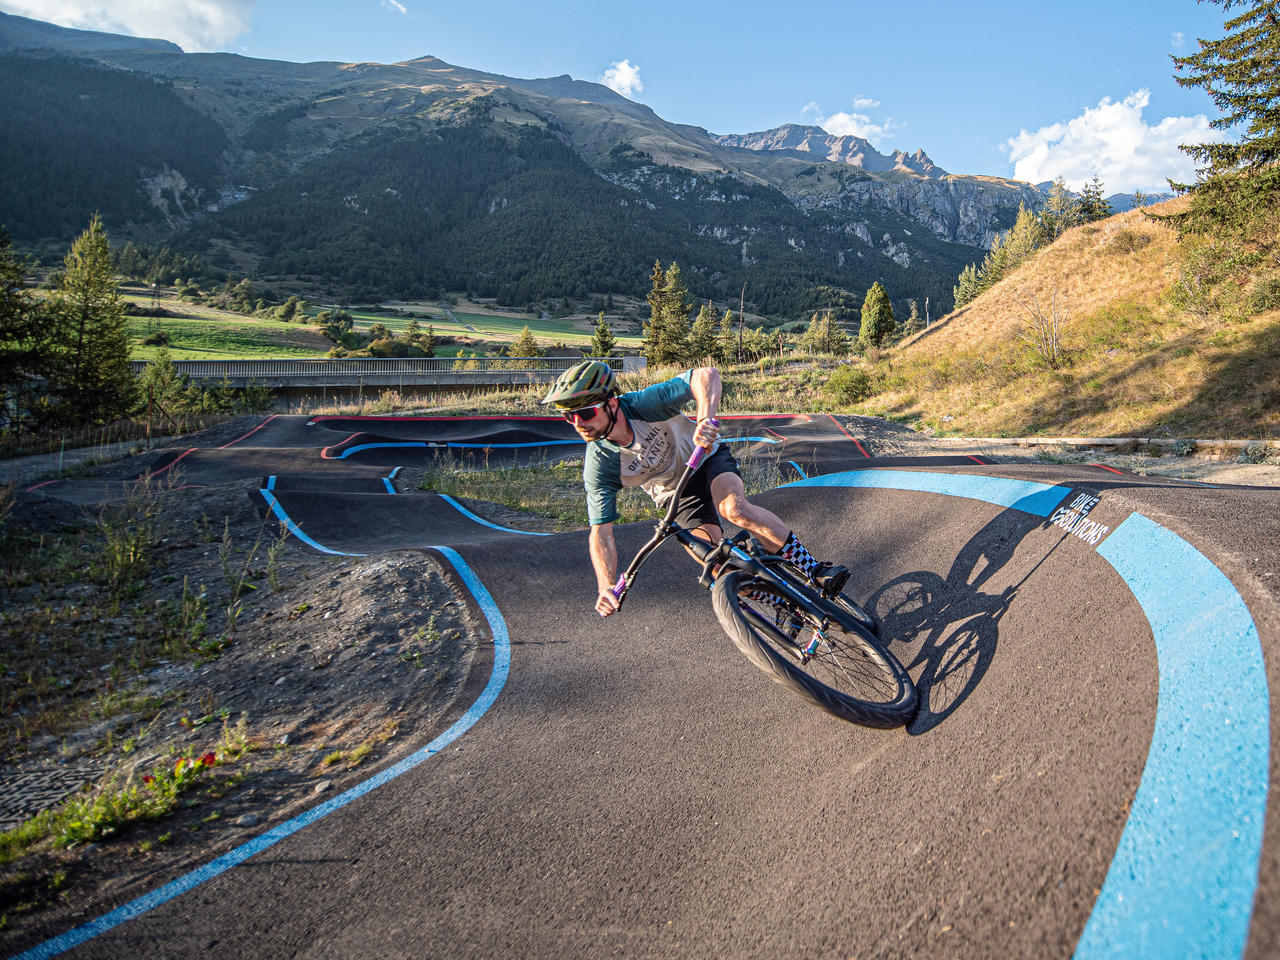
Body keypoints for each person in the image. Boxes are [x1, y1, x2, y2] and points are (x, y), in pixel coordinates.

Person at [543, 360, 849, 617]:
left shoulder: (642, 406)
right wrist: (606, 586)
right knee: (715, 567)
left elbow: (706, 376)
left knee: (735, 509)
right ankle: (785, 606)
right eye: (568, 416)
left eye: (584, 413)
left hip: (706, 459)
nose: (577, 423)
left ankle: (815, 570)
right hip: (677, 495)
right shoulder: (600, 463)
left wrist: (705, 419)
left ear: (611, 403)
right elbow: (601, 534)